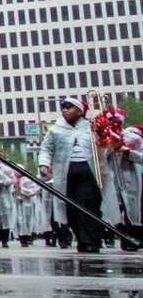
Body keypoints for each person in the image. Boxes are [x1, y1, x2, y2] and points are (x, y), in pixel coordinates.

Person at [39, 97, 102, 254]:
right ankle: (82, 239)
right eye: (63, 107)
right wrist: (44, 164)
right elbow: (46, 148)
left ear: (80, 111)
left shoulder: (92, 127)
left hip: (90, 173)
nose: (65, 110)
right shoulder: (55, 130)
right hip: (67, 175)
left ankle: (91, 240)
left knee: (90, 206)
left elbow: (104, 146)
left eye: (69, 107)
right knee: (71, 208)